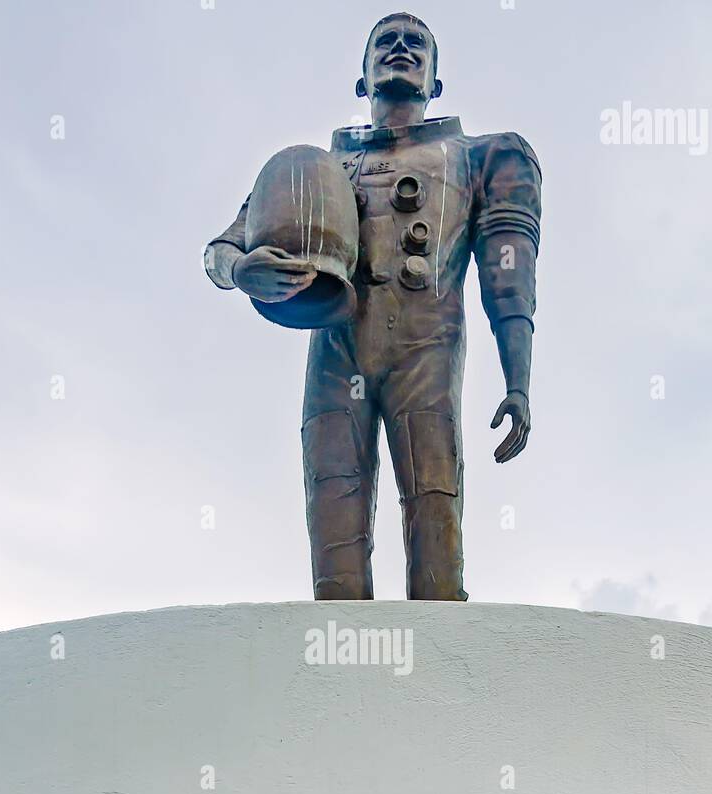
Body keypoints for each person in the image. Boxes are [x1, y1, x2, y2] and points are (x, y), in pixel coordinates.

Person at [205, 13, 541, 601]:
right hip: (337, 353)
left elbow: (507, 274)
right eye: (386, 42)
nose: (402, 49)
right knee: (334, 541)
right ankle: (341, 684)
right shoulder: (316, 168)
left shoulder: (483, 156)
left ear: (436, 81)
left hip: (427, 353)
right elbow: (225, 247)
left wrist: (519, 381)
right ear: (362, 79)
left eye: (417, 44)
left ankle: (436, 678)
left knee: (436, 527)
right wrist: (244, 269)